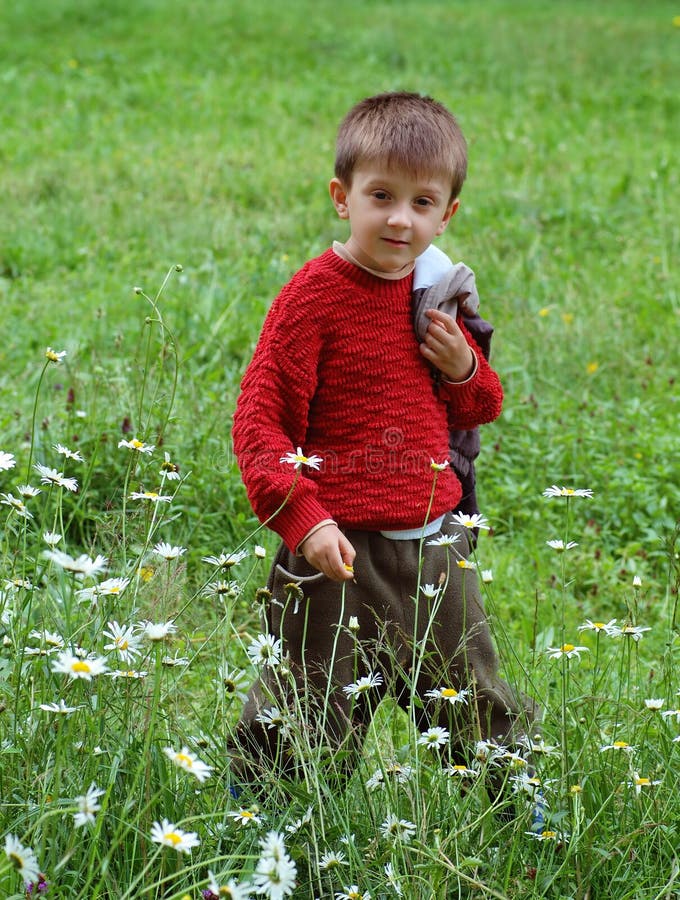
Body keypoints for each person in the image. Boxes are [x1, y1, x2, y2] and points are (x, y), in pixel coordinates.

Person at [231, 91, 534, 788]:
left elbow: (481, 404)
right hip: (333, 553)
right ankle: (266, 838)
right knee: (301, 709)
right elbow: (259, 424)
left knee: (474, 701)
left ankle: (521, 820)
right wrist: (304, 520)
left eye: (422, 202)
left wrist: (463, 366)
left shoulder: (437, 295)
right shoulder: (312, 299)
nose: (400, 218)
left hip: (433, 547)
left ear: (448, 212)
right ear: (343, 197)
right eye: (381, 195)